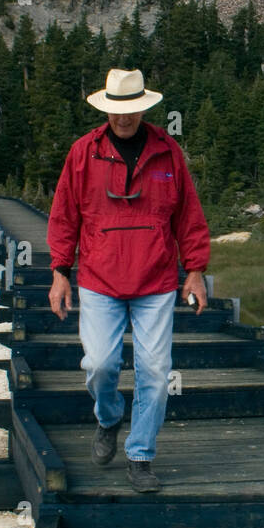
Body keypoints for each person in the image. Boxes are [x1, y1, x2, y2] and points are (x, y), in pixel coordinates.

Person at [46, 68, 211, 492]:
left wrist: (194, 271)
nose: (124, 118)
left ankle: (140, 455)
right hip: (100, 279)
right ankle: (108, 418)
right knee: (100, 364)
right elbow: (65, 214)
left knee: (155, 371)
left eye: (131, 110)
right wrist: (60, 273)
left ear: (143, 107)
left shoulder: (167, 152)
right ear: (107, 109)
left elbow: (187, 214)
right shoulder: (84, 152)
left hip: (156, 280)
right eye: (117, 110)